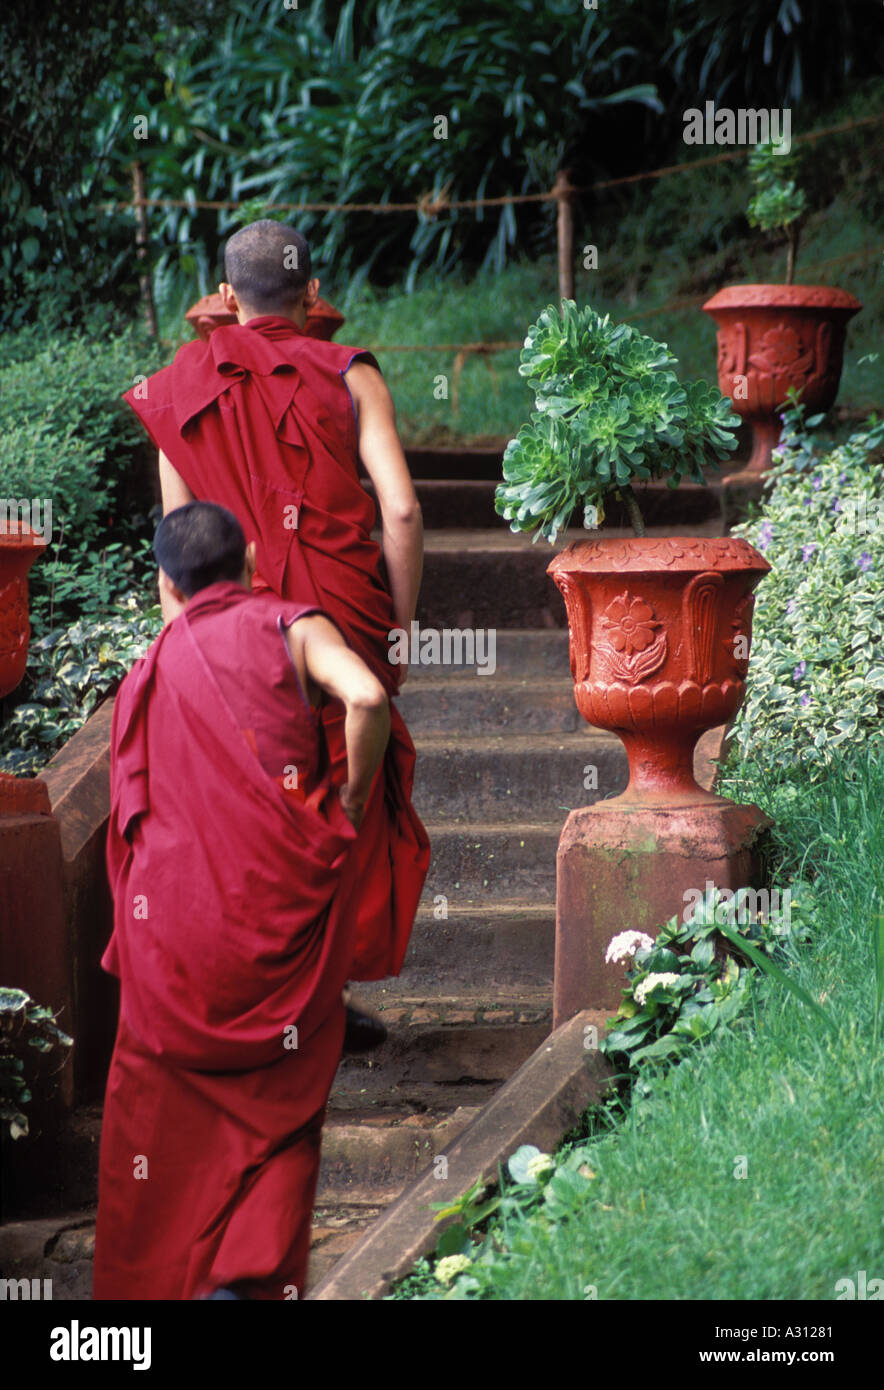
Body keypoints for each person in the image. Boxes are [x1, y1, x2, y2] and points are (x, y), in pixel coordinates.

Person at [123, 220, 429, 999]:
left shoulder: (181, 386)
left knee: (256, 803)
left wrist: (186, 657)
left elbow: (177, 548)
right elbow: (399, 512)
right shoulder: (353, 374)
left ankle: (268, 990)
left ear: (226, 298)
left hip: (233, 635)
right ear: (313, 293)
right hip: (345, 618)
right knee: (342, 797)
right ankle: (329, 990)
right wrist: (397, 627)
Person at [94, 502, 390, 1300]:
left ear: (166, 582)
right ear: (252, 561)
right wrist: (352, 805)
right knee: (284, 1100)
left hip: (176, 930)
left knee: (161, 1108)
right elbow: (364, 696)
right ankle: (245, 1273)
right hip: (275, 914)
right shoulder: (290, 625)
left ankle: (164, 1280)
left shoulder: (151, 665)